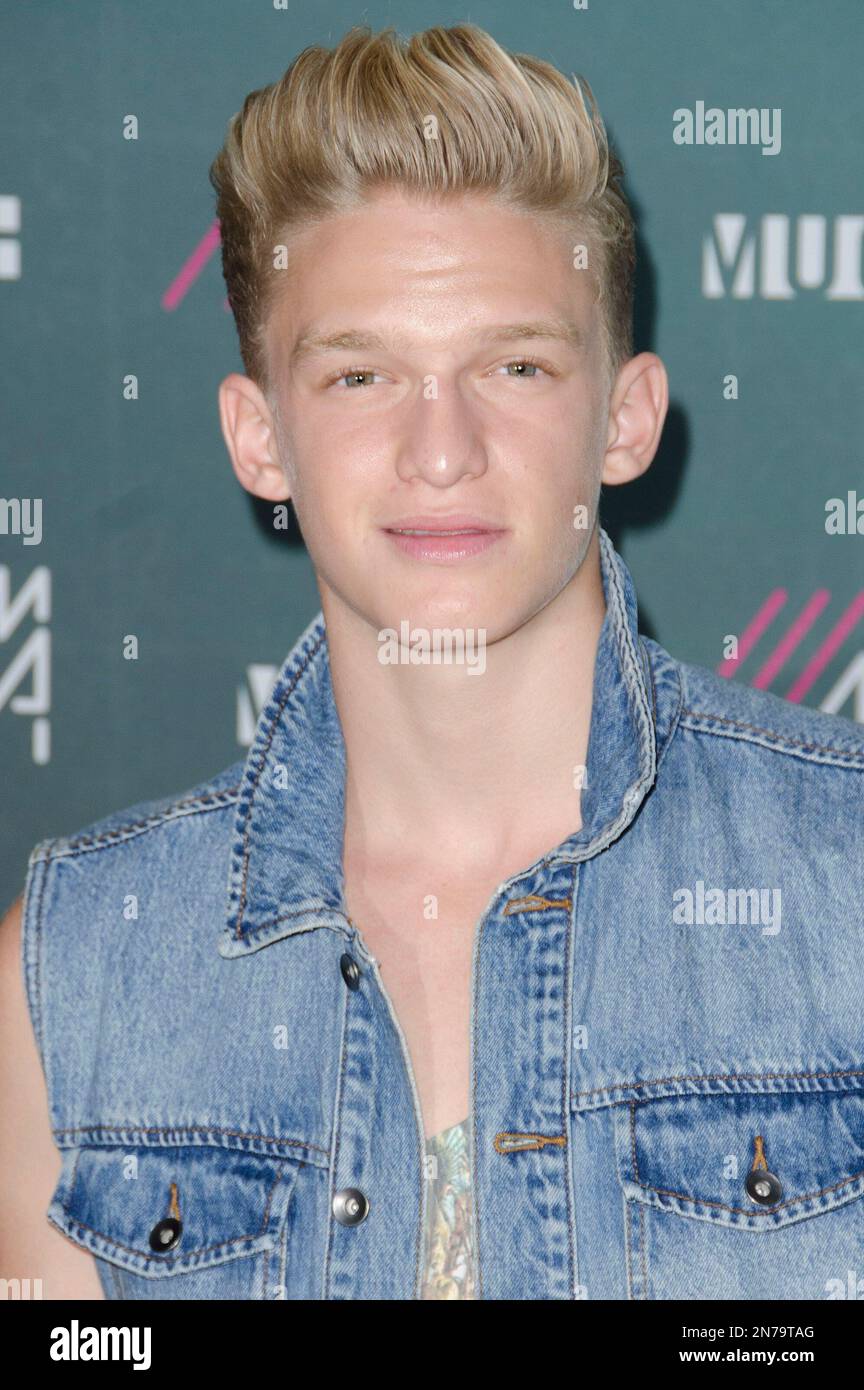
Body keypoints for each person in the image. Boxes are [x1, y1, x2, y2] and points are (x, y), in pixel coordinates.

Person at [2, 22, 863, 1303]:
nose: (441, 449)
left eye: (514, 365)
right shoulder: (70, 983)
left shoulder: (844, 878)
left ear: (625, 418)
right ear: (260, 441)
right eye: (360, 376)